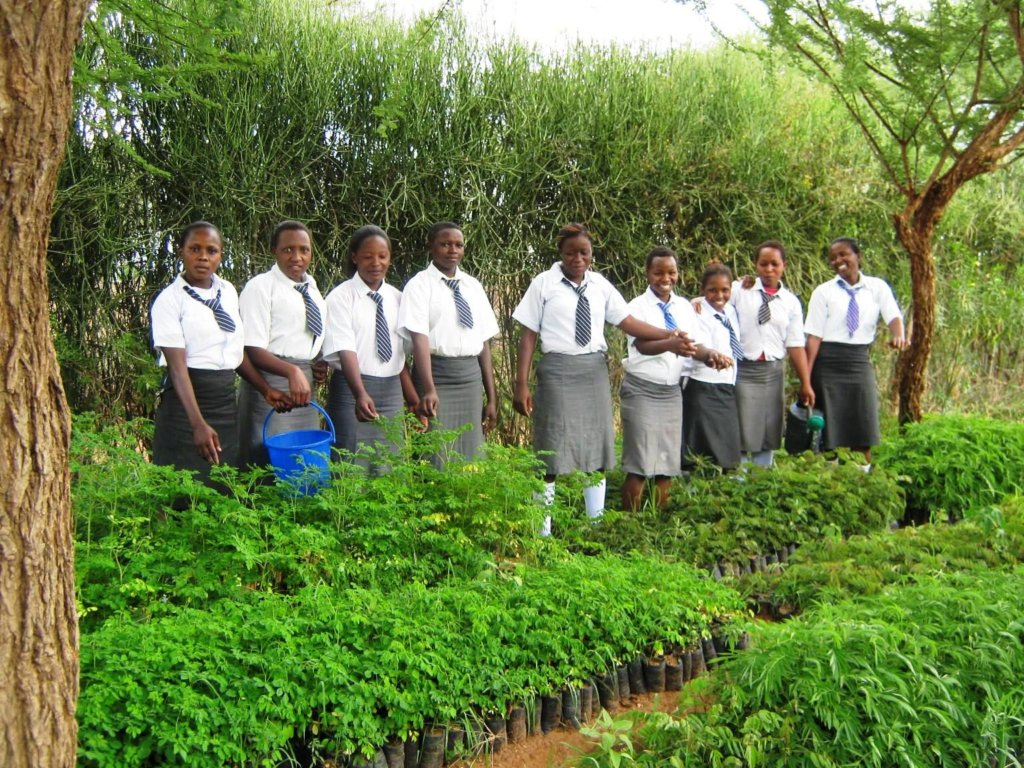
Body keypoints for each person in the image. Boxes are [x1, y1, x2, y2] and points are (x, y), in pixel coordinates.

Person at [512, 223, 697, 528]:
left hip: (592, 372)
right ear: (560, 253)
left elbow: (628, 322)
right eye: (571, 253)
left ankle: (595, 524)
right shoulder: (543, 284)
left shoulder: (600, 286)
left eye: (584, 252)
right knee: (550, 447)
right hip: (558, 369)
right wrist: (521, 384)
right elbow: (528, 335)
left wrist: (670, 335)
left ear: (592, 254)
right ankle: (541, 528)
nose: (578, 259)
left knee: (596, 446)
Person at [150, 221, 288, 487]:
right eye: (195, 249)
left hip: (224, 402)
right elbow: (177, 369)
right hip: (186, 405)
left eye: (211, 250)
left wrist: (265, 389)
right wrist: (197, 424)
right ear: (181, 252)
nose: (203, 257)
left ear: (221, 255)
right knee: (183, 488)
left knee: (221, 485)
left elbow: (234, 352)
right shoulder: (169, 301)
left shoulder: (227, 292)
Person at [620, 247, 730, 512]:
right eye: (658, 272)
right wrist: (670, 344)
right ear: (648, 274)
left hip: (671, 393)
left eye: (671, 272)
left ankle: (660, 523)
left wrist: (710, 355)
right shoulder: (637, 306)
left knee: (666, 465)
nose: (665, 278)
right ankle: (628, 523)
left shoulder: (683, 307)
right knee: (640, 464)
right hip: (642, 390)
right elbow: (641, 346)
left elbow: (691, 345)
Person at [397, 221, 499, 467]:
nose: (452, 250)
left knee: (470, 452)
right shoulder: (419, 286)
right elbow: (419, 340)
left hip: (470, 380)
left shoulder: (473, 286)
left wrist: (492, 397)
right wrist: (429, 389)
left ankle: (467, 503)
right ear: (430, 247)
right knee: (434, 453)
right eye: (445, 244)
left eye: (458, 245)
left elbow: (483, 343)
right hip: (436, 376)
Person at [322, 225, 420, 470]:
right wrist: (360, 393)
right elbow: (346, 350)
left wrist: (413, 400)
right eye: (367, 256)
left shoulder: (398, 298)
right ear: (354, 257)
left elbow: (398, 358)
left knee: (389, 463)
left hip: (391, 393)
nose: (376, 263)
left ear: (390, 257)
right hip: (352, 391)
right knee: (351, 461)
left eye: (382, 256)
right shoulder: (340, 298)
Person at [805, 237, 908, 463]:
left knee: (864, 426)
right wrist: (806, 380)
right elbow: (813, 337)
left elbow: (893, 316)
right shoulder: (823, 292)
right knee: (830, 432)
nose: (838, 261)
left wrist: (898, 335)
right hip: (827, 364)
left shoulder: (877, 287)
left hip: (858, 361)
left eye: (843, 254)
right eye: (833, 258)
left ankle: (863, 479)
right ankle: (832, 484)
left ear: (857, 256)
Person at [237, 220, 327, 468]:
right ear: (274, 250)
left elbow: (305, 336)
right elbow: (251, 348)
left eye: (304, 250)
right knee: (266, 460)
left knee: (304, 461)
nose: (297, 257)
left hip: (304, 388)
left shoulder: (312, 289)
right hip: (271, 386)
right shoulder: (261, 287)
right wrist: (291, 370)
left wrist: (316, 363)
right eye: (288, 249)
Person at [730, 241, 815, 467]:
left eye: (774, 264)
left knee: (768, 427)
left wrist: (806, 383)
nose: (769, 269)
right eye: (763, 264)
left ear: (784, 265)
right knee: (740, 426)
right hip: (742, 369)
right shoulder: (740, 290)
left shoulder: (790, 303)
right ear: (755, 266)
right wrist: (698, 302)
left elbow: (796, 345)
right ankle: (736, 480)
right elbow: (716, 305)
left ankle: (761, 478)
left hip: (772, 372)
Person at [683, 261, 744, 472]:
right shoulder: (696, 313)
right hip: (704, 385)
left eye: (725, 290)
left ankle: (722, 493)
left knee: (726, 448)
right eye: (712, 290)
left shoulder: (731, 311)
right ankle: (695, 492)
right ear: (703, 290)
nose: (719, 295)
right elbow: (697, 345)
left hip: (727, 385)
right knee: (699, 447)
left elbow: (746, 287)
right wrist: (713, 356)